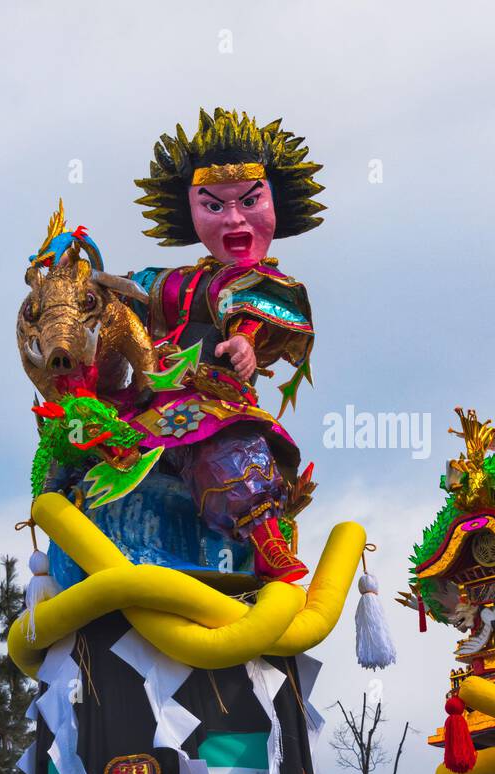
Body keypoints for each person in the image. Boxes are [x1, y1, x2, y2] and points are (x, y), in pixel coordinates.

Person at [124, 108, 325, 583]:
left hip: (213, 402)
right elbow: (125, 300)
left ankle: (267, 540)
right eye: (214, 206)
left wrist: (245, 343)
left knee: (227, 444)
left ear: (276, 202)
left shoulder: (263, 283)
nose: (234, 219)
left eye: (250, 201)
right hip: (145, 406)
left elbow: (255, 311)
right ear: (189, 212)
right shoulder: (171, 281)